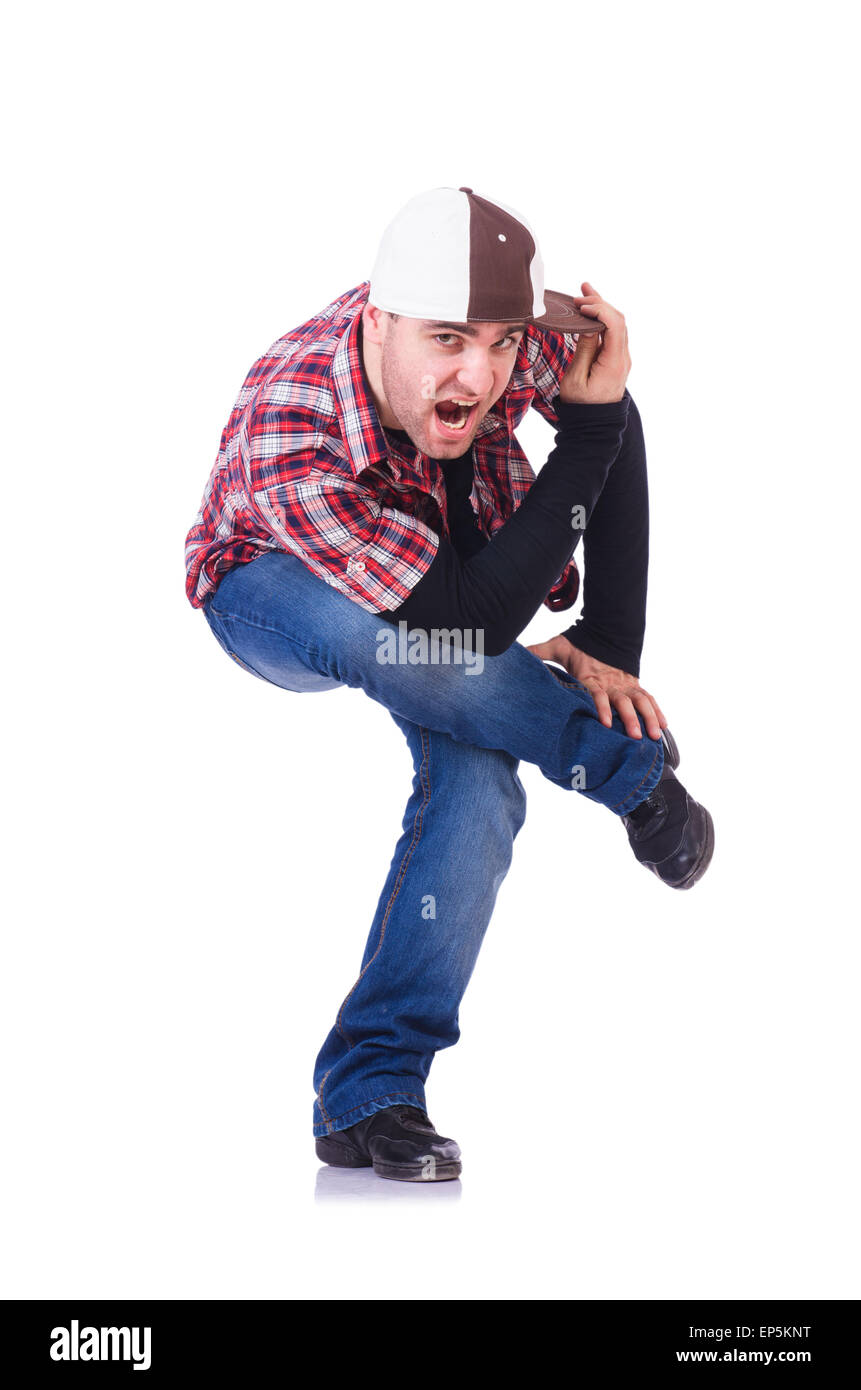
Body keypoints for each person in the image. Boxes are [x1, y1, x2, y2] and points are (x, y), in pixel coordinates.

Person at [184, 186, 714, 1183]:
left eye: (504, 343)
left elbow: (613, 416)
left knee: (480, 786)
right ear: (380, 321)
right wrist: (610, 741)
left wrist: (609, 645)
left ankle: (369, 1094)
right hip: (268, 588)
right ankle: (632, 776)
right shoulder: (293, 426)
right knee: (395, 645)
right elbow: (454, 633)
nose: (481, 371)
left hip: (438, 569)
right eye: (447, 341)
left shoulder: (505, 343)